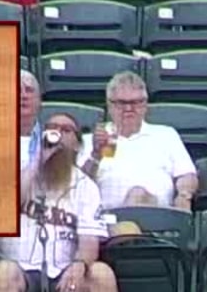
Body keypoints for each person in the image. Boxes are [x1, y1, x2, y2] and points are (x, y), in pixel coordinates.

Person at [0, 111, 119, 292]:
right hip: (19, 271)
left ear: (78, 144)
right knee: (5, 272)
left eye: (66, 130)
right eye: (52, 128)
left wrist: (80, 264)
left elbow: (90, 240)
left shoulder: (86, 186)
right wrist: (37, 161)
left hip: (63, 273)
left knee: (102, 274)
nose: (57, 134)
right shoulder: (20, 174)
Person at [82, 70, 198, 210]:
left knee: (138, 194)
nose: (129, 109)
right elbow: (78, 187)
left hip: (156, 219)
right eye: (121, 103)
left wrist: (184, 195)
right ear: (109, 105)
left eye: (136, 102)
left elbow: (187, 174)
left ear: (145, 105)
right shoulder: (91, 140)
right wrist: (96, 155)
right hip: (105, 221)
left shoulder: (166, 135)